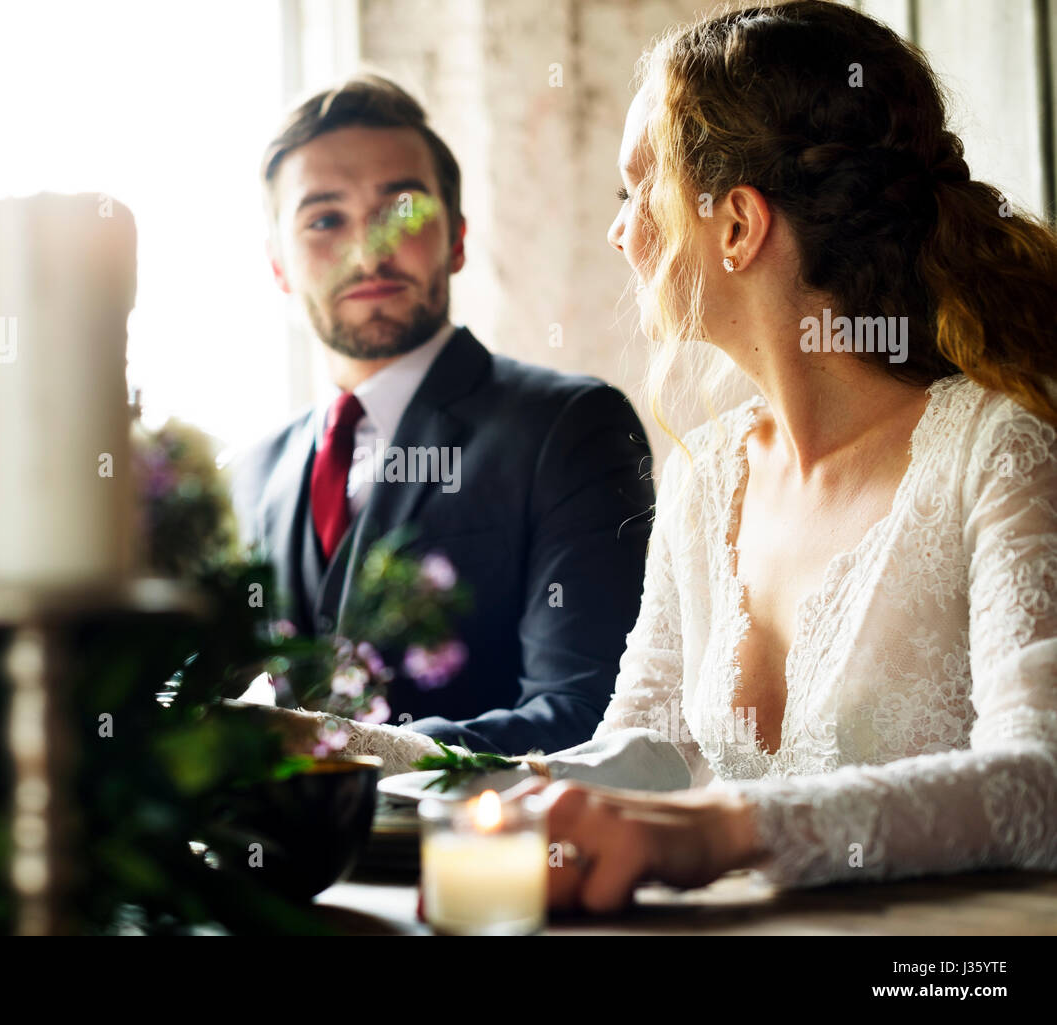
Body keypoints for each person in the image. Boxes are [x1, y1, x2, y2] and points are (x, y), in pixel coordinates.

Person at [314, 0, 1057, 909]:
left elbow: (1040, 783)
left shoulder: (997, 452)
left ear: (737, 225)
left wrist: (723, 828)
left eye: (639, 188)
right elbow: (632, 753)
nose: (621, 230)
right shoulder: (706, 475)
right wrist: (333, 743)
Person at [228, 74, 655, 756]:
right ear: (278, 264)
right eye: (325, 219)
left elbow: (592, 718)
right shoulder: (249, 474)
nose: (368, 251)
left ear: (456, 238)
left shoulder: (573, 426)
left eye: (403, 209)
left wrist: (348, 750)